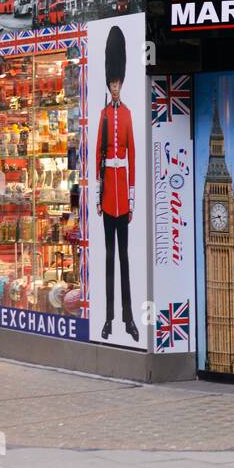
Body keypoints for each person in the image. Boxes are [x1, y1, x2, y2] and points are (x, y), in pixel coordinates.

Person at [97, 25, 138, 342]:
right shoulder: (103, 114)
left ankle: (129, 317)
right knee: (109, 259)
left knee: (125, 258)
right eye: (111, 83)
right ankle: (109, 319)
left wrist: (132, 199)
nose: (114, 87)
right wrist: (99, 195)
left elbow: (133, 154)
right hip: (108, 193)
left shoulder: (126, 114)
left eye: (117, 82)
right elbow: (100, 151)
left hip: (122, 193)